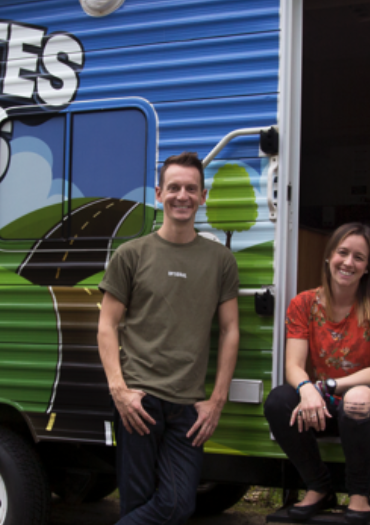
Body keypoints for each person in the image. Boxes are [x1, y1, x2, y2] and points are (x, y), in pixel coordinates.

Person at [97, 151, 242, 525]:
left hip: (189, 408)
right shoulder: (131, 254)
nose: (183, 195)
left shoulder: (220, 260)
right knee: (137, 503)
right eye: (174, 187)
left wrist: (216, 401)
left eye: (191, 188)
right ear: (158, 194)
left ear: (203, 196)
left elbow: (229, 331)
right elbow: (107, 326)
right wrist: (120, 391)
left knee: (179, 504)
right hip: (139, 400)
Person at [263, 222, 370, 524]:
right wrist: (306, 388)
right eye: (342, 253)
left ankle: (359, 494)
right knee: (279, 401)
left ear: (368, 267)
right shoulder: (303, 304)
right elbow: (293, 364)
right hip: (328, 405)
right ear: (329, 257)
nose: (348, 262)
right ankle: (319, 487)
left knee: (357, 397)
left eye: (359, 257)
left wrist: (325, 386)